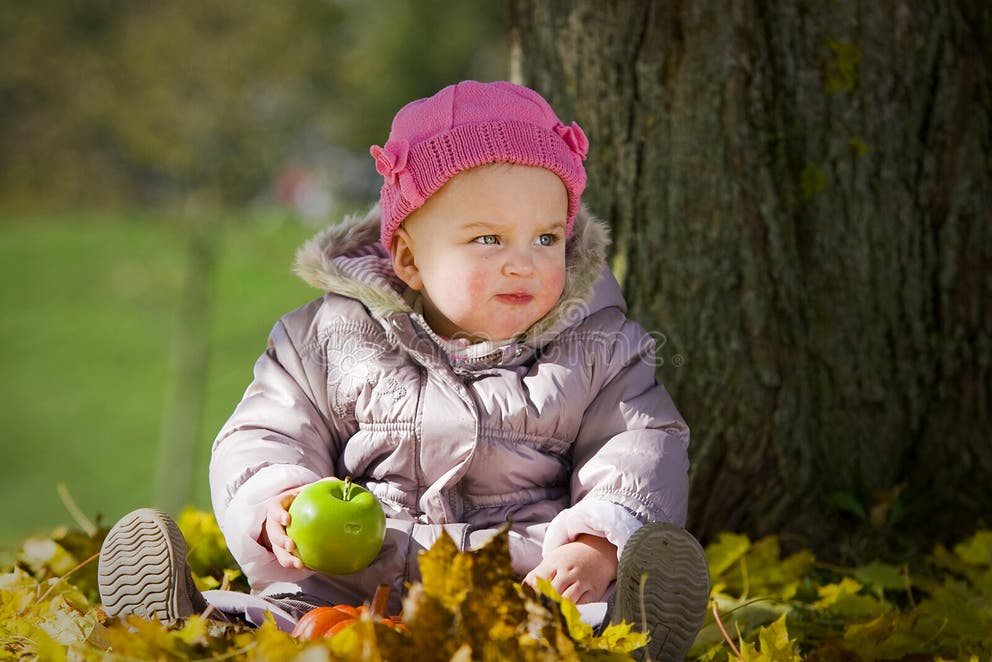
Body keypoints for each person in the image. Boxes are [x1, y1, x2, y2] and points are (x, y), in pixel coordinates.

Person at [98, 80, 709, 660]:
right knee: (285, 624)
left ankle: (636, 628)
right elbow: (264, 432)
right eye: (489, 240)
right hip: (354, 581)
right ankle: (179, 620)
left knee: (564, 630)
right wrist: (277, 500)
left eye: (546, 238)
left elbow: (640, 444)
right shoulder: (332, 337)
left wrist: (598, 544)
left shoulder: (597, 345)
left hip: (514, 585)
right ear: (410, 258)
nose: (523, 264)